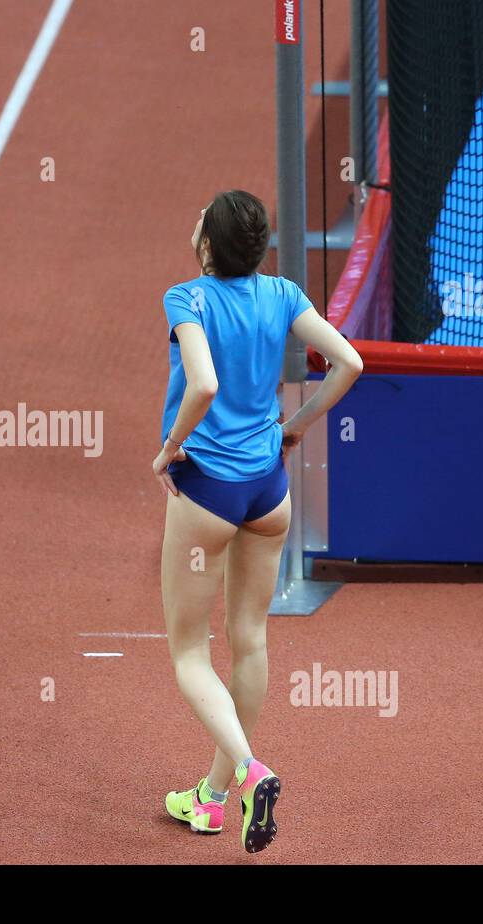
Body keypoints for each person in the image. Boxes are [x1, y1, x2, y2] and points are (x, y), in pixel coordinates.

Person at [153, 190, 363, 853]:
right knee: (250, 640)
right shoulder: (282, 293)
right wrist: (295, 428)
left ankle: (248, 771)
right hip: (269, 493)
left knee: (189, 650)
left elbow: (203, 384)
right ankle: (211, 800)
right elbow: (351, 362)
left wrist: (168, 449)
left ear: (208, 245)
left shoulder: (187, 299)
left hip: (207, 492)